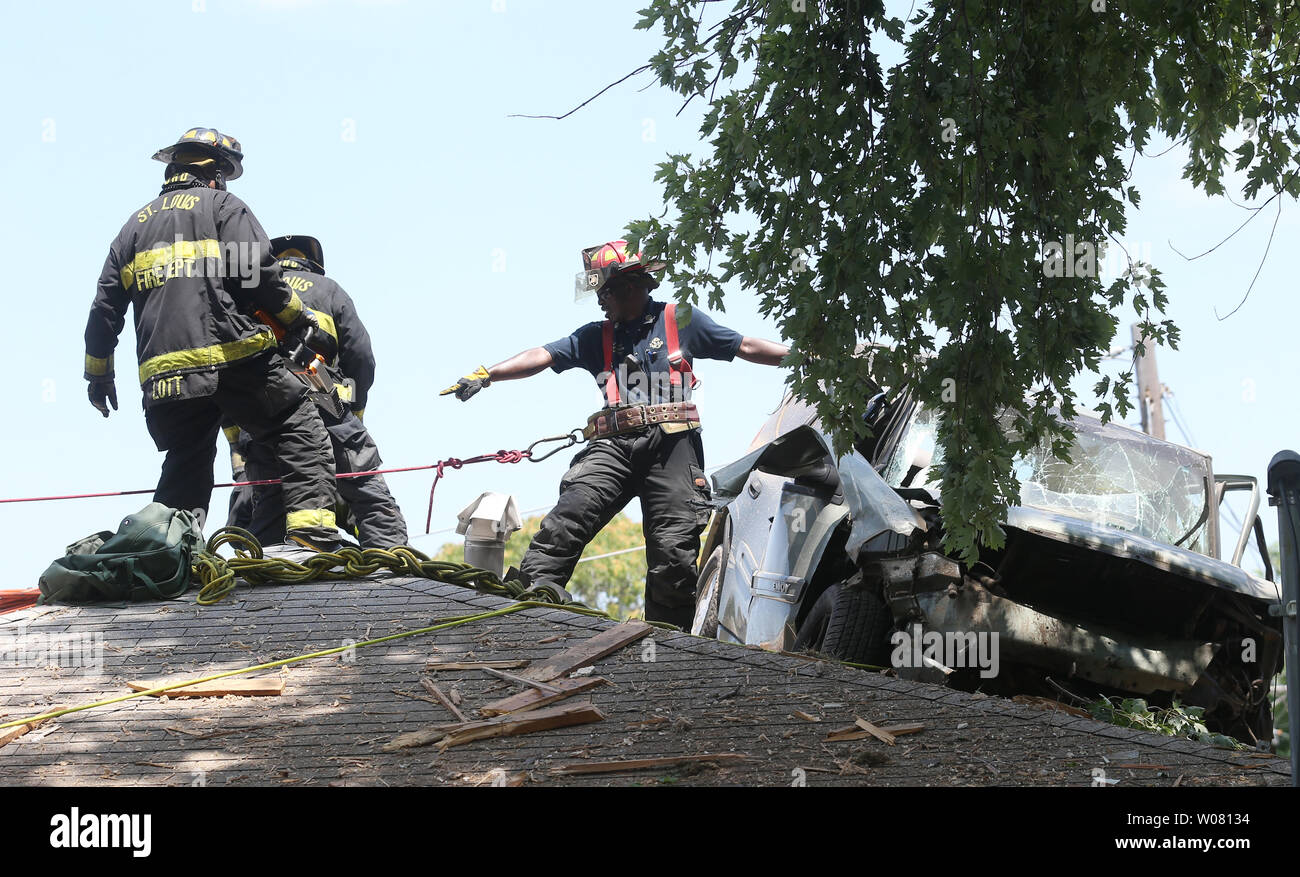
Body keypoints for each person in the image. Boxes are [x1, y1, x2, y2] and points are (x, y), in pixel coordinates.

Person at [443, 239, 788, 626]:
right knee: (569, 516)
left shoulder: (681, 320)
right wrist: (488, 373)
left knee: (673, 555)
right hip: (613, 446)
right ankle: (528, 607)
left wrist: (804, 360)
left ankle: (667, 647)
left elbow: (745, 345)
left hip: (673, 450)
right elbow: (542, 355)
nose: (600, 301)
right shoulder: (596, 335)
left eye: (604, 291)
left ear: (629, 285)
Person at [84, 127, 339, 550]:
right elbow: (255, 272)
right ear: (216, 172)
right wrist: (298, 319)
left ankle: (165, 552)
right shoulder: (223, 205)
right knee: (298, 426)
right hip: (233, 358)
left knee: (187, 460)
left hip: (165, 378)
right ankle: (311, 536)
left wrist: (99, 375)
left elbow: (104, 310)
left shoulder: (131, 227)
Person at [232, 235, 409, 549]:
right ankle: (392, 564)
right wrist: (353, 411)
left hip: (264, 412)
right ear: (313, 264)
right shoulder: (329, 290)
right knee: (365, 490)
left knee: (272, 496)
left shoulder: (249, 292)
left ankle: (267, 577)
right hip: (325, 399)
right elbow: (361, 357)